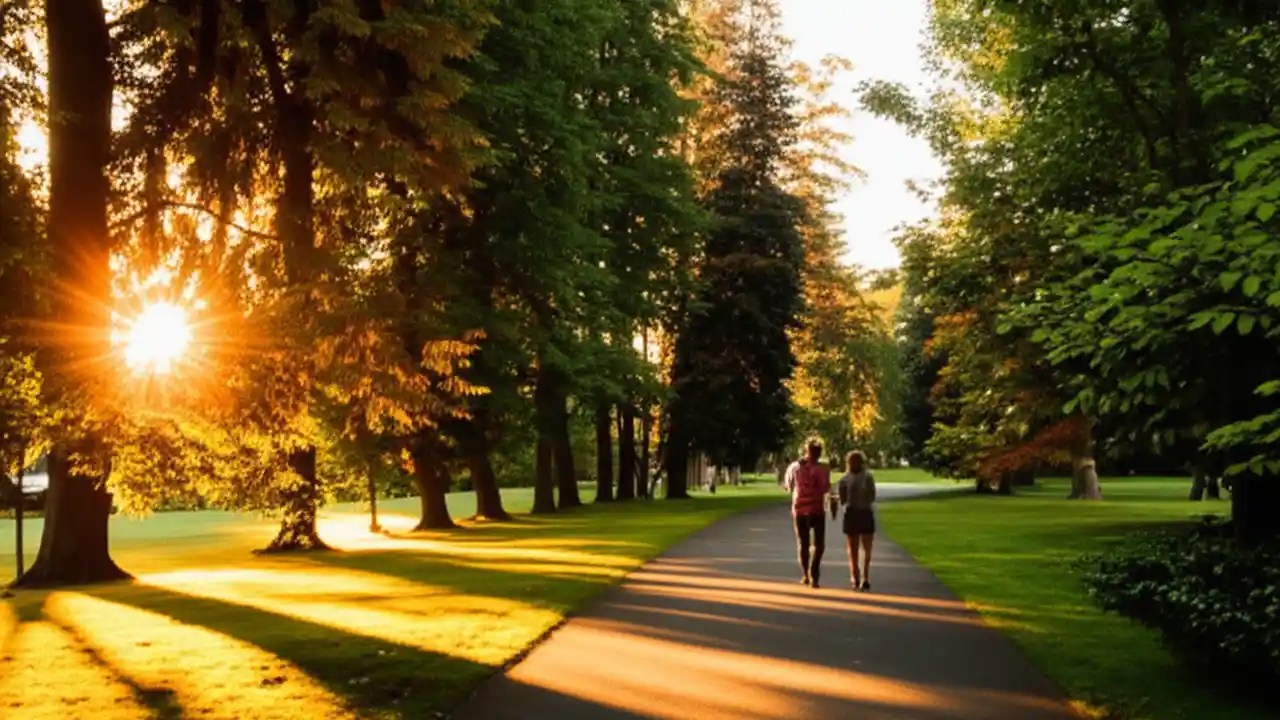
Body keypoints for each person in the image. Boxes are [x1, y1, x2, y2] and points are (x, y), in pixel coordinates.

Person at [784, 439, 831, 588]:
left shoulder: (794, 467)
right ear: (819, 453)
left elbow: (788, 486)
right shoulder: (822, 469)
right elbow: (825, 489)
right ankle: (814, 572)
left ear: (806, 451)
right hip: (816, 510)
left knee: (803, 543)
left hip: (799, 509)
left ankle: (806, 574)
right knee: (819, 545)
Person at [837, 450, 877, 591]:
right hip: (858, 513)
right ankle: (857, 576)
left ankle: (862, 576)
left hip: (859, 513)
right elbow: (872, 496)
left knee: (862, 548)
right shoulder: (853, 478)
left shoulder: (849, 479)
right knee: (856, 548)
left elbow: (843, 500)